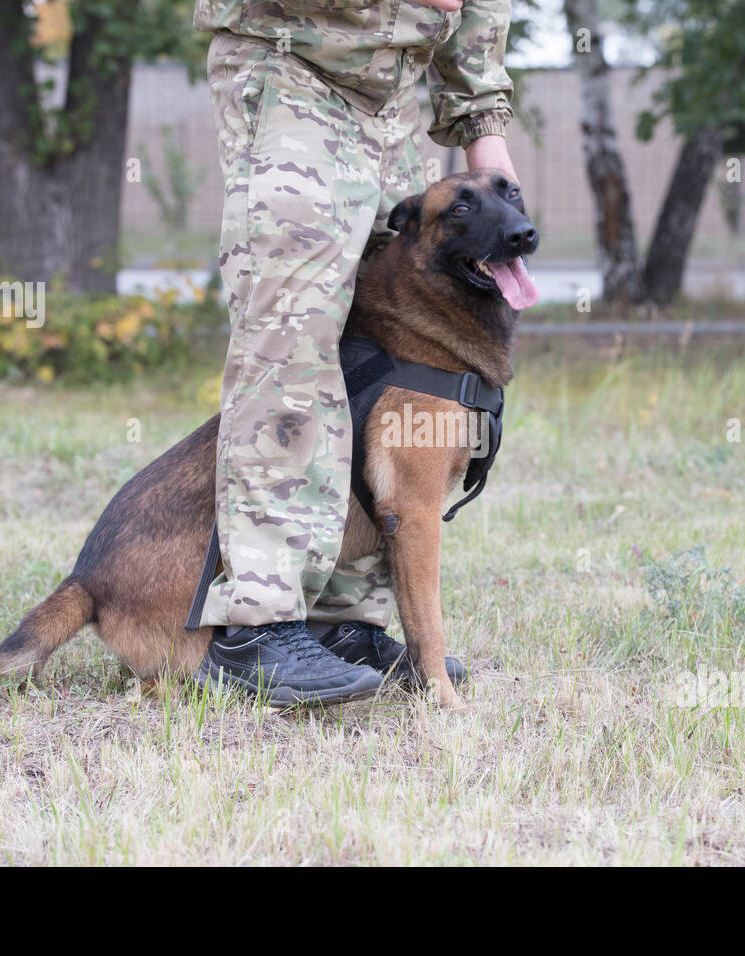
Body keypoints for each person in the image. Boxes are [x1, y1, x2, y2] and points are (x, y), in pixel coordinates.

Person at [188, 0, 520, 705]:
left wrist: (482, 123)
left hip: (395, 98)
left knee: (373, 354)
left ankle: (339, 619)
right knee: (292, 337)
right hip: (294, 69)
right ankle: (262, 620)